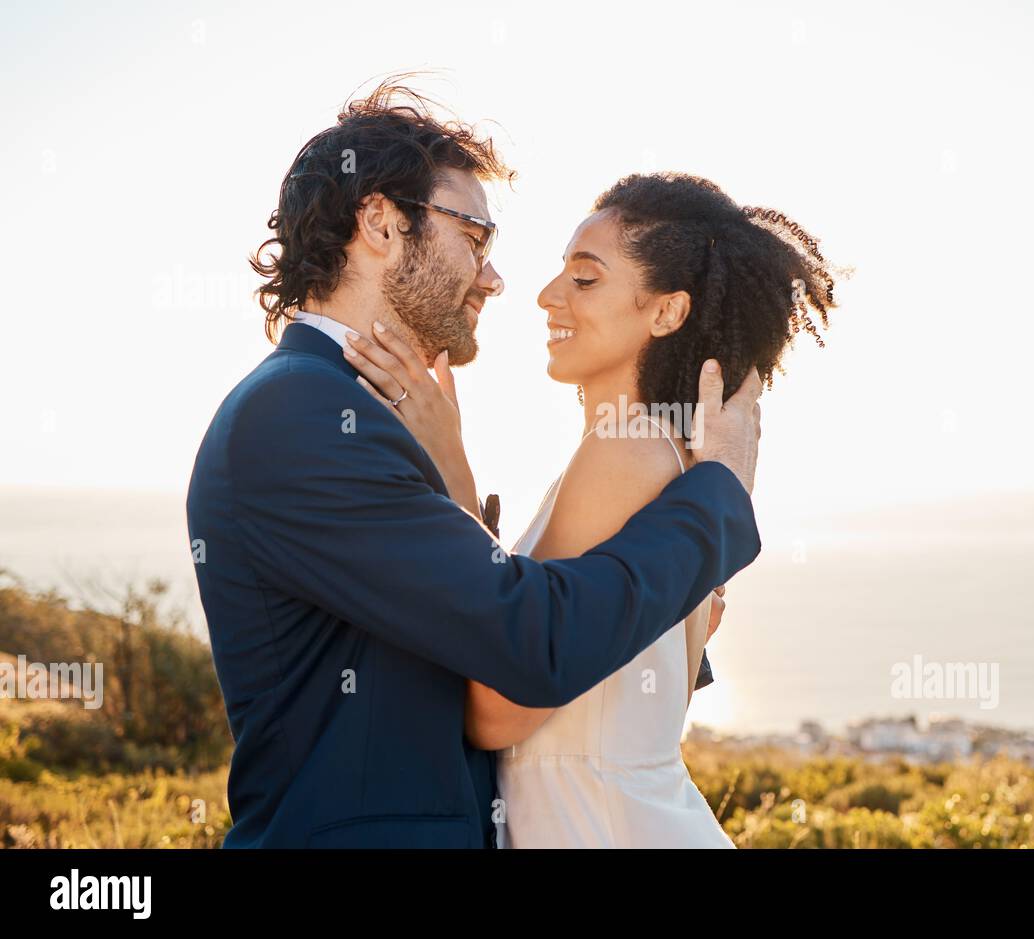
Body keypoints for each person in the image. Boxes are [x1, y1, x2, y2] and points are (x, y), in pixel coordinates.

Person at [186, 79, 762, 848]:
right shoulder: (298, 414)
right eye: (476, 238)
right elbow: (528, 642)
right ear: (383, 225)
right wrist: (721, 499)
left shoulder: (341, 411)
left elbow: (484, 620)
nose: (496, 278)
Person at [348, 172, 836, 846]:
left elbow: (500, 708)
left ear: (666, 312)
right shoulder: (663, 461)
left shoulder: (624, 452)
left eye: (585, 278)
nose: (549, 296)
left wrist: (451, 477)